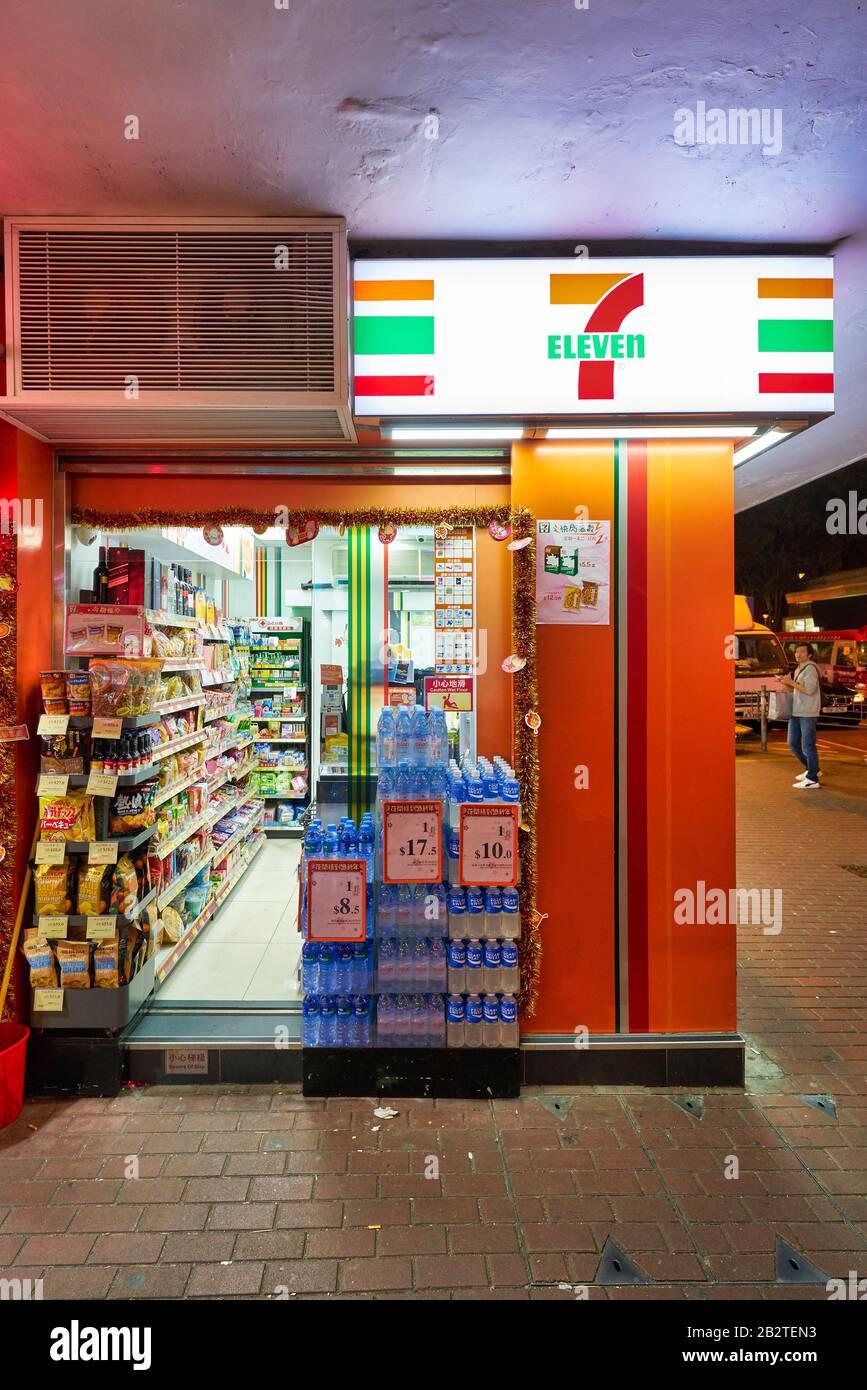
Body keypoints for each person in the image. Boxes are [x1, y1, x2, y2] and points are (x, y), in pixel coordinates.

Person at [780, 642, 821, 788]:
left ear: (809, 654)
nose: (798, 654)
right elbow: (798, 690)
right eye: (796, 651)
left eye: (802, 652)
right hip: (796, 710)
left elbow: (809, 690)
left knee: (808, 745)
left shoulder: (810, 668)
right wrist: (786, 684)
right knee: (792, 743)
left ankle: (812, 779)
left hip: (807, 712)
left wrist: (791, 682)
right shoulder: (799, 668)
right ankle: (812, 769)